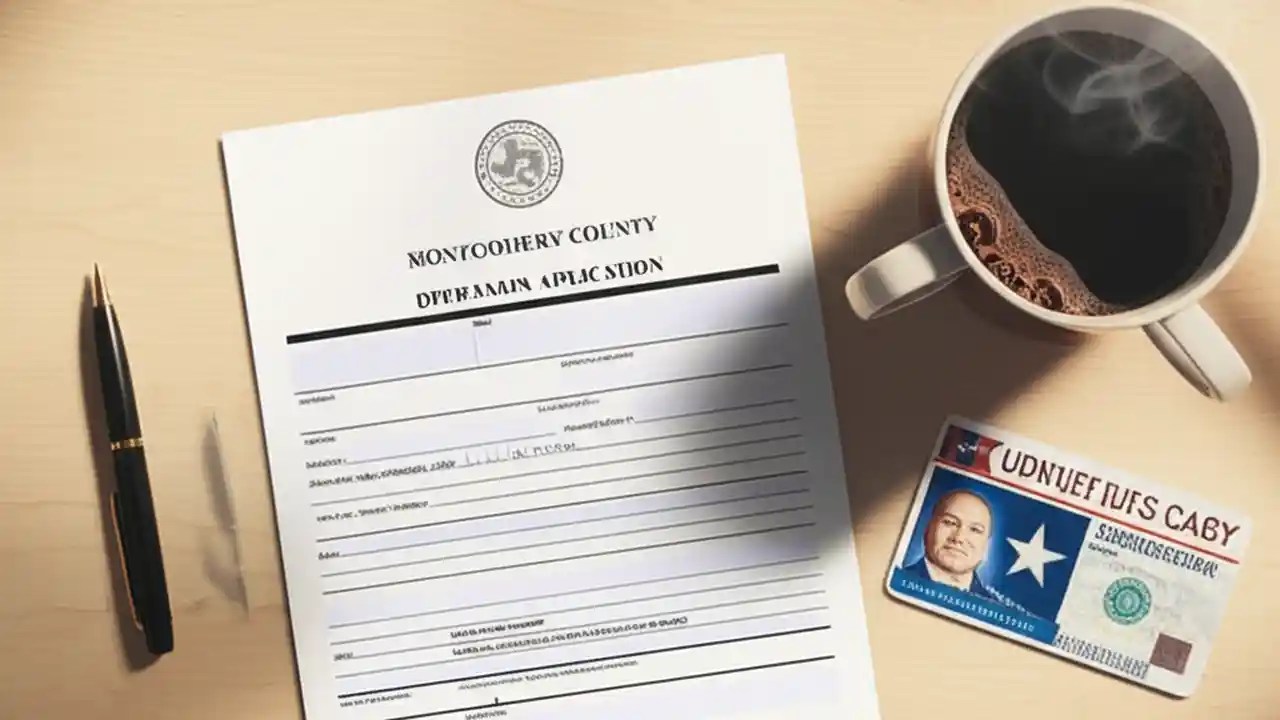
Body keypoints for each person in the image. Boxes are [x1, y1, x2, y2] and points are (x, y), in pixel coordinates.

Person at [903, 488, 1027, 612]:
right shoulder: (901, 580)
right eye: (950, 522)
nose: (958, 538)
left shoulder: (998, 610)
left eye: (975, 530)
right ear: (928, 529)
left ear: (986, 546)